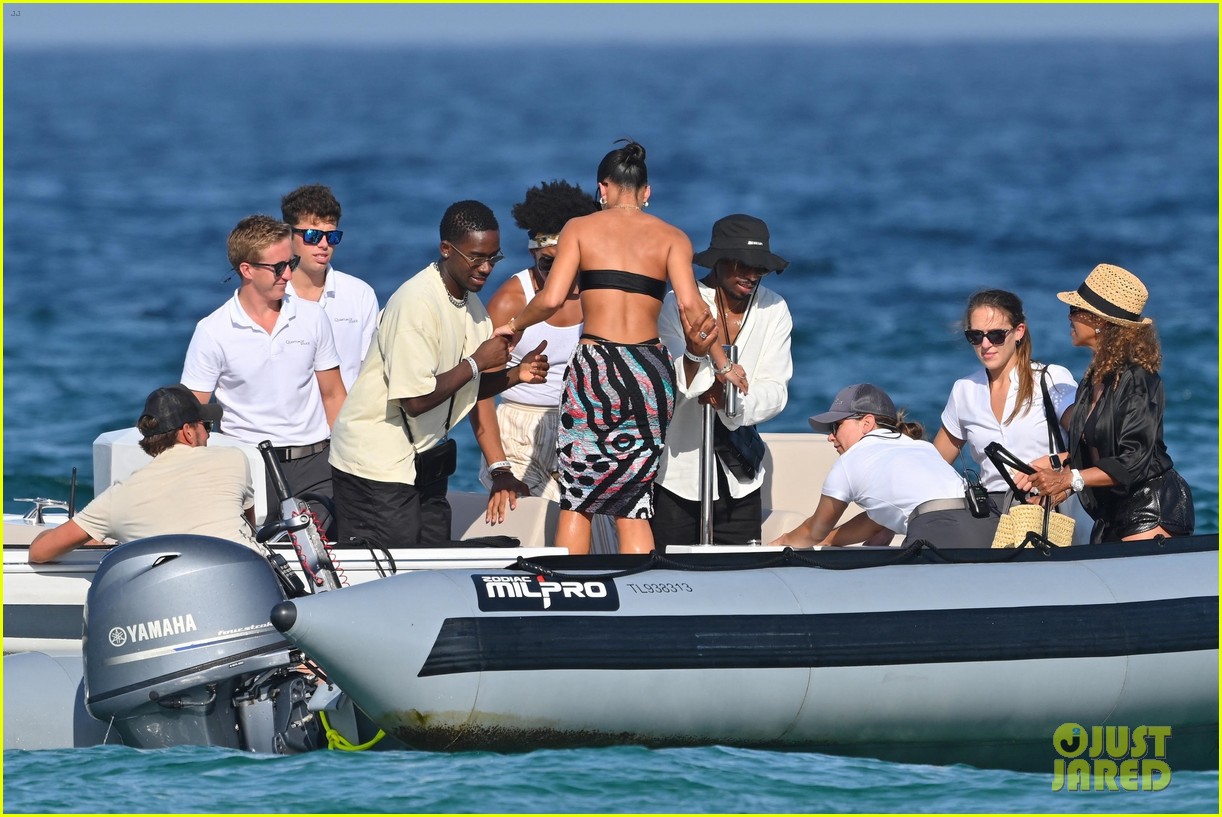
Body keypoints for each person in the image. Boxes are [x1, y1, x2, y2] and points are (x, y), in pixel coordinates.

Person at [493, 139, 742, 555]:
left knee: (578, 500)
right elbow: (694, 312)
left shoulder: (579, 228)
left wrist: (513, 326)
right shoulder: (672, 238)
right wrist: (722, 365)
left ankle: (574, 597)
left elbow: (552, 298)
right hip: (647, 371)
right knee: (634, 502)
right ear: (646, 192)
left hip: (596, 368)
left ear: (602, 189)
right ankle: (639, 597)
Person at [328, 200, 549, 550]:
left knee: (432, 564)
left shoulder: (472, 306)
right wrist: (477, 360)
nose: (487, 267)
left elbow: (466, 389)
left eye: (494, 257)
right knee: (392, 575)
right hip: (375, 465)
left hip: (424, 461)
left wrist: (516, 374)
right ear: (446, 249)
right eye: (476, 257)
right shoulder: (415, 303)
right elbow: (416, 400)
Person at [181, 215, 346, 523]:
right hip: (247, 469)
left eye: (291, 263)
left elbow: (334, 395)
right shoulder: (212, 331)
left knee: (318, 549)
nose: (287, 274)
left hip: (318, 467)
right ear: (247, 269)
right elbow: (191, 416)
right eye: (278, 267)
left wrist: (351, 463)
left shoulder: (313, 318)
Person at [1016, 264, 1193, 543]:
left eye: (1075, 310)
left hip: (1149, 507)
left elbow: (1134, 460)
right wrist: (1063, 481)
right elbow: (1097, 451)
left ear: (1099, 320)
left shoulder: (1137, 379)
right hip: (1110, 513)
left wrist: (1069, 479)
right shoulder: (1092, 380)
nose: (1069, 317)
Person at [653, 214, 793, 546]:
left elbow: (776, 390)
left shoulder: (775, 308)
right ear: (718, 261)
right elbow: (672, 377)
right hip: (676, 473)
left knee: (741, 584)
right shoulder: (678, 305)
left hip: (740, 476)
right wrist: (709, 382)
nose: (752, 274)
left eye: (759, 267)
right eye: (743, 264)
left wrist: (733, 403)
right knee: (672, 579)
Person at [470, 180, 598, 524]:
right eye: (547, 264)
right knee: (533, 528)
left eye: (570, 266)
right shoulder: (512, 300)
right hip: (518, 433)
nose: (559, 276)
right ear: (531, 255)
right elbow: (479, 392)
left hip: (580, 431)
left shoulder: (597, 295)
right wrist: (500, 470)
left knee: (591, 539)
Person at [29, 385, 256, 563]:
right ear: (188, 431)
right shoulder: (234, 458)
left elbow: (39, 552)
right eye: (205, 426)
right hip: (247, 583)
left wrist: (97, 533)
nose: (207, 435)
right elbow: (250, 528)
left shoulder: (118, 498)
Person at [771, 384, 998, 548]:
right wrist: (830, 540)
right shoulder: (920, 447)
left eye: (835, 426)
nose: (831, 437)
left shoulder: (851, 461)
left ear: (867, 423)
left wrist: (778, 544)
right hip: (984, 525)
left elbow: (812, 532)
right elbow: (873, 522)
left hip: (937, 530)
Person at [933, 289, 1080, 526]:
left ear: (1019, 331)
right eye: (976, 336)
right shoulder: (965, 391)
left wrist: (1055, 463)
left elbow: (1094, 445)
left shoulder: (1050, 378)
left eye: (997, 335)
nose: (986, 344)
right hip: (990, 516)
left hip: (1048, 510)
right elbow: (933, 464)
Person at [281, 184, 379, 390]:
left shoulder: (361, 295)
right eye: (313, 236)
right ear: (287, 235)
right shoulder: (271, 296)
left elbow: (370, 375)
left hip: (346, 420)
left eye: (332, 236)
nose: (324, 244)